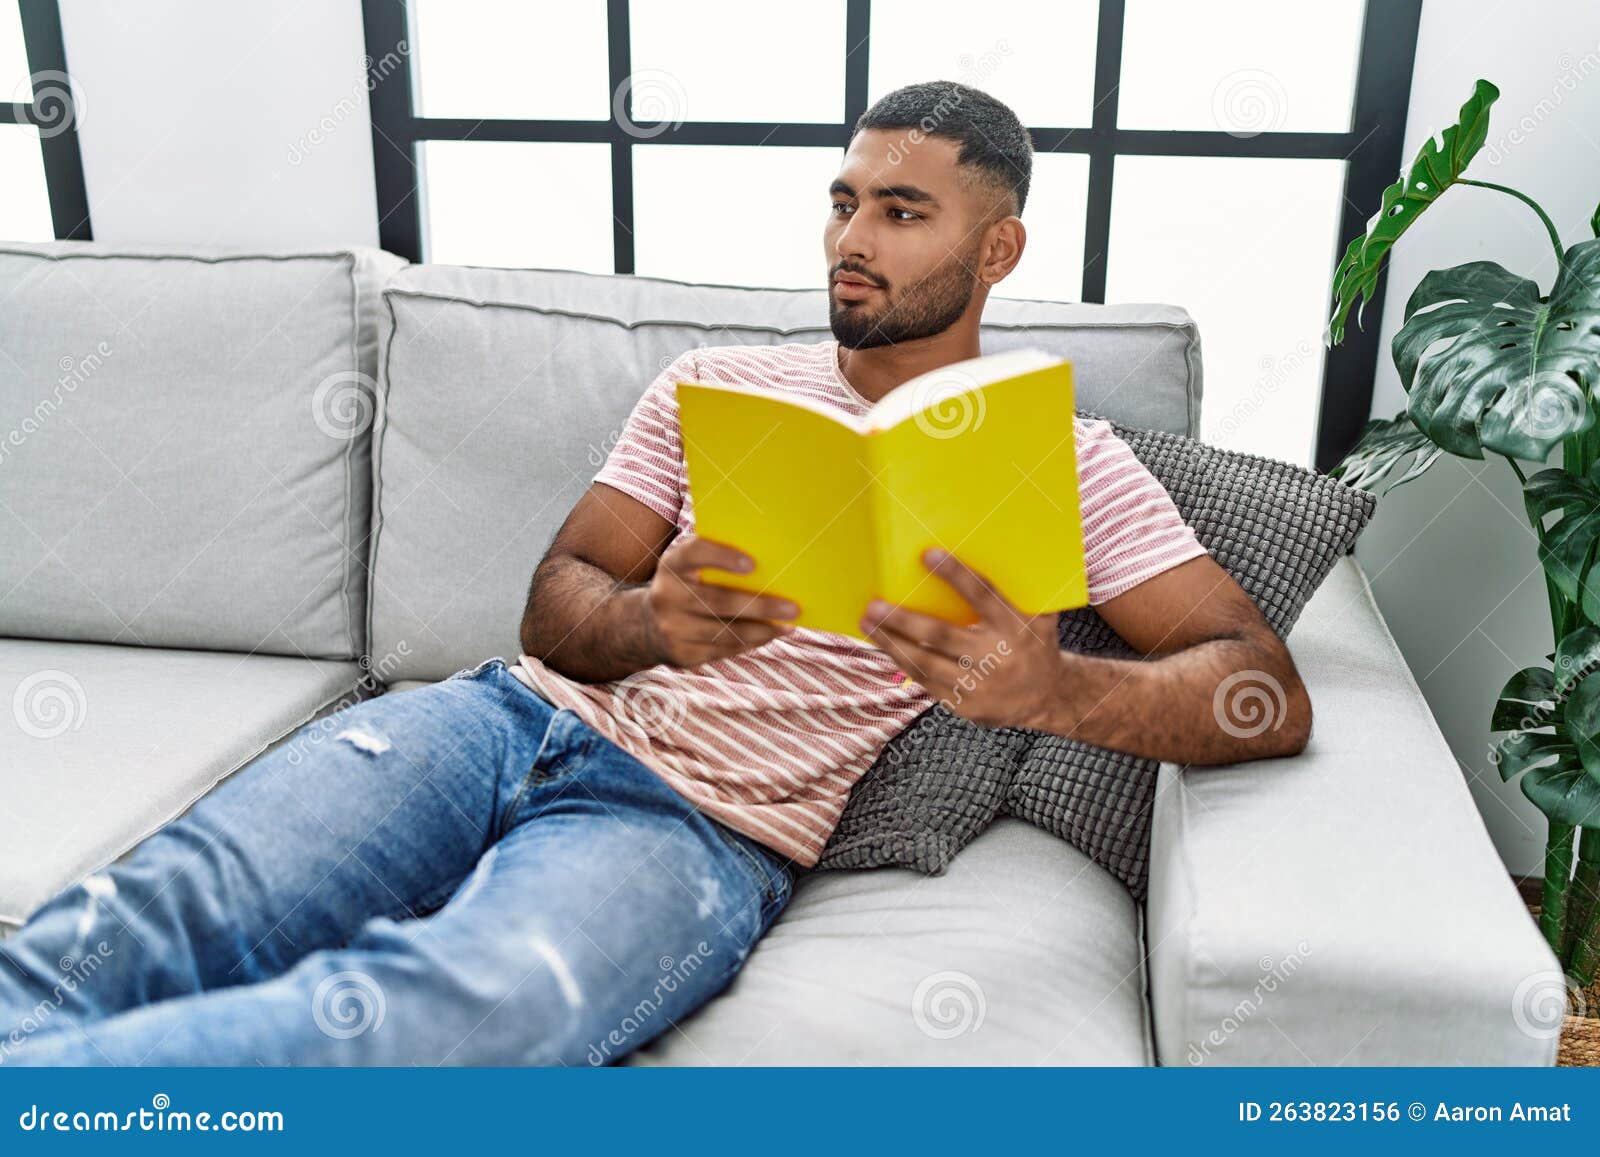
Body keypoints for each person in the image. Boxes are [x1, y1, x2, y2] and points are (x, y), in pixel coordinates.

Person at [0, 81, 1310, 1067]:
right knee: (157, 911)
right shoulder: (715, 387)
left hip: (699, 829)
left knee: (474, 1012)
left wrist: (1051, 690)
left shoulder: (1070, 462)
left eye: (903, 213)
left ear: (999, 251)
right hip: (494, 723)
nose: (853, 237)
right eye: (844, 200)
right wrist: (651, 622)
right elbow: (557, 602)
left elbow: (1263, 692)